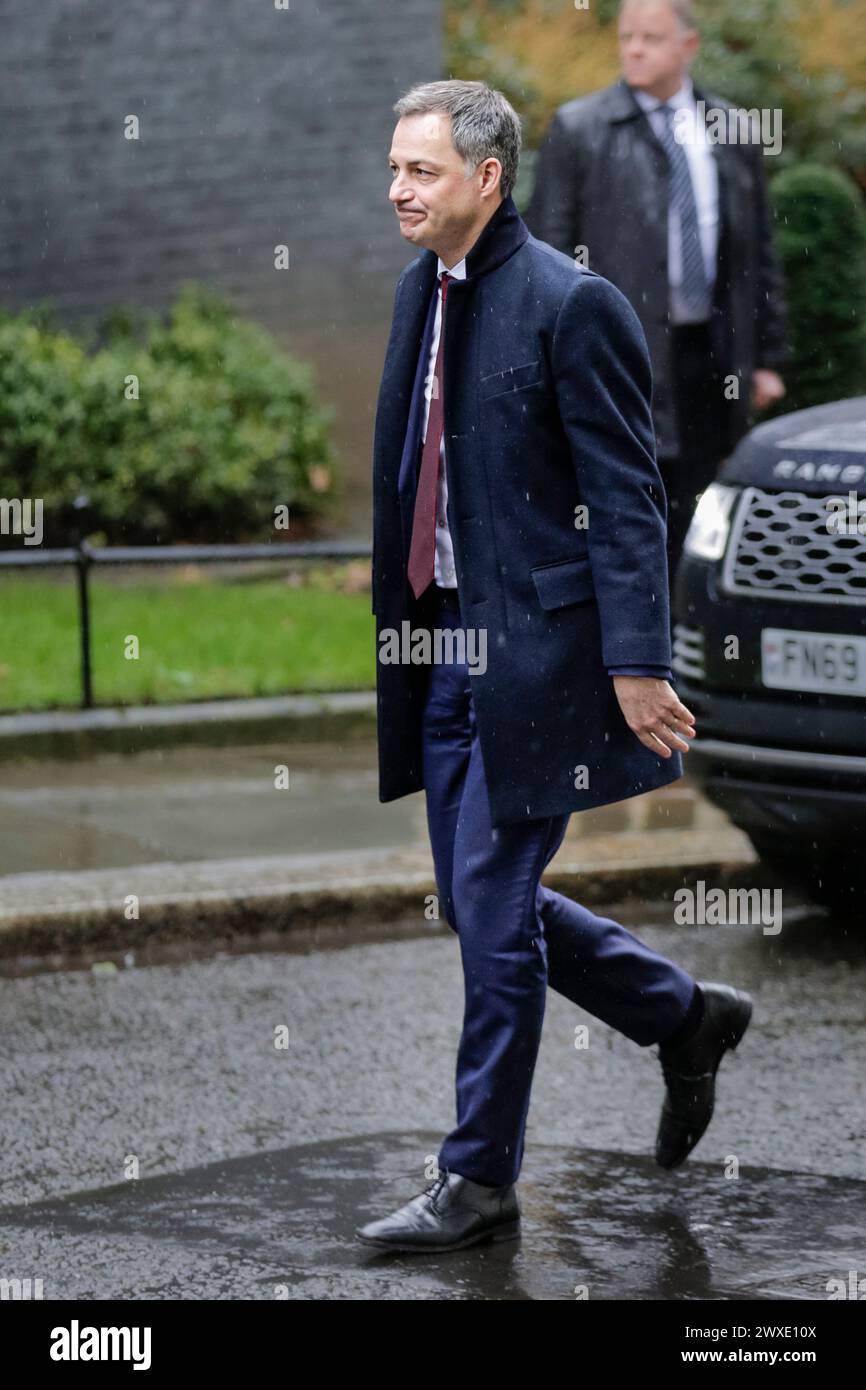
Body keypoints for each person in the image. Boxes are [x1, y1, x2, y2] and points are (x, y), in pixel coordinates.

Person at [358, 79, 752, 1254]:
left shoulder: (569, 304)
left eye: (420, 171)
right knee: (485, 906)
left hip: (536, 664)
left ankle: (476, 1181)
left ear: (486, 178)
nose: (396, 189)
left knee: (485, 911)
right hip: (439, 652)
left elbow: (628, 498)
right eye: (393, 168)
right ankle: (680, 1014)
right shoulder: (415, 293)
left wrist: (635, 662)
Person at [524, 0, 789, 582]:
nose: (634, 49)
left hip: (709, 353)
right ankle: (628, 646)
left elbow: (756, 253)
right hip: (620, 351)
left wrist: (766, 358)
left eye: (650, 37)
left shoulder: (731, 128)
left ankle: (684, 643)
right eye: (627, 38)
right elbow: (546, 248)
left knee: (701, 503)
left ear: (688, 47)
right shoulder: (581, 128)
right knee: (627, 498)